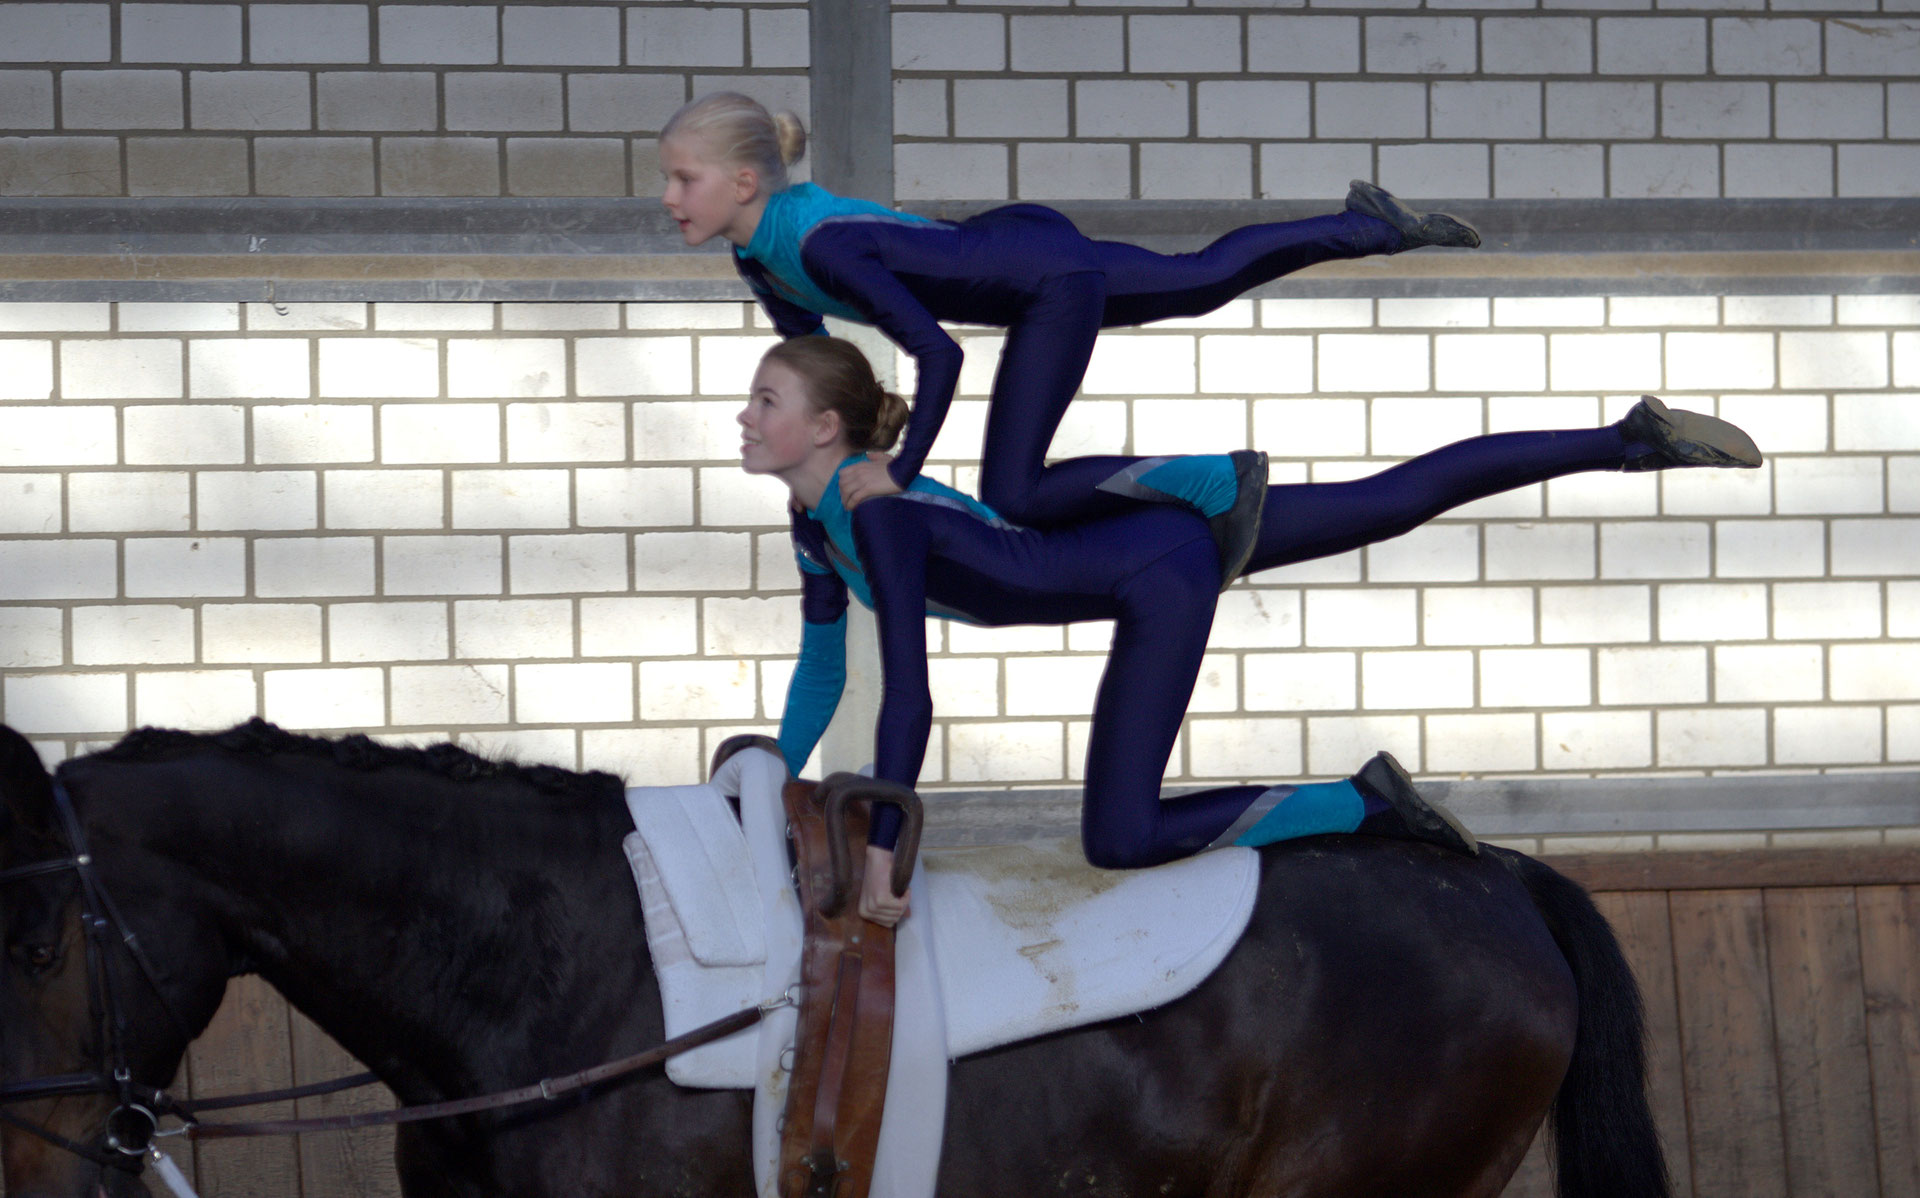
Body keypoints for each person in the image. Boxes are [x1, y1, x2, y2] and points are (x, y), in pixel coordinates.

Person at [743, 337, 1762, 925]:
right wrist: (756, 786)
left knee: (1123, 836)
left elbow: (912, 697)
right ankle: (1625, 441)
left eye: (766, 398)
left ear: (826, 427)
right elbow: (825, 669)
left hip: (1156, 569)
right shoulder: (816, 527)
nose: (744, 416)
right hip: (1146, 554)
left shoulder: (874, 513)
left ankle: (1361, 806)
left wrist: (885, 855)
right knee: (1389, 500)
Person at [666, 91, 1481, 582]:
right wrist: (824, 479)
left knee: (1016, 493)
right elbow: (822, 375)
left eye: (683, 179)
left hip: (1041, 283)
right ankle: (1362, 226)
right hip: (1024, 251)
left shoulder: (818, 246)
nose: (669, 196)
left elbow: (939, 353)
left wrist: (898, 469)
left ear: (743, 182)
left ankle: (1210, 481)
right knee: (1197, 279)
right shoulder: (760, 260)